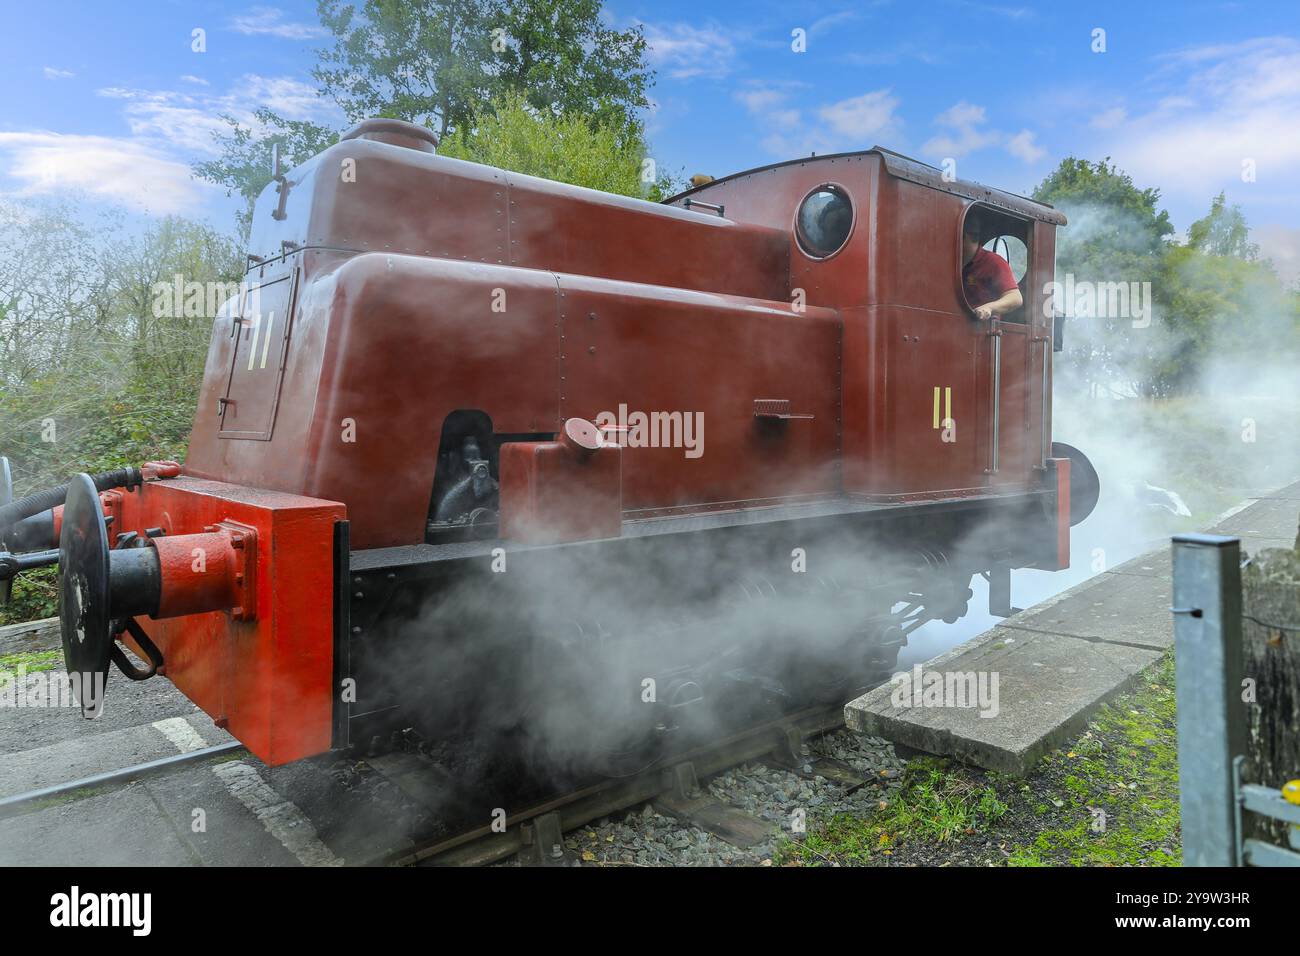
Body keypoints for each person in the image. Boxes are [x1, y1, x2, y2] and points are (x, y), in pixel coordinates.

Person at [962, 215, 1023, 319]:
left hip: (983, 331)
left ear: (963, 236)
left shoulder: (993, 262)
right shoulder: (952, 262)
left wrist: (988, 308)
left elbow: (1015, 298)